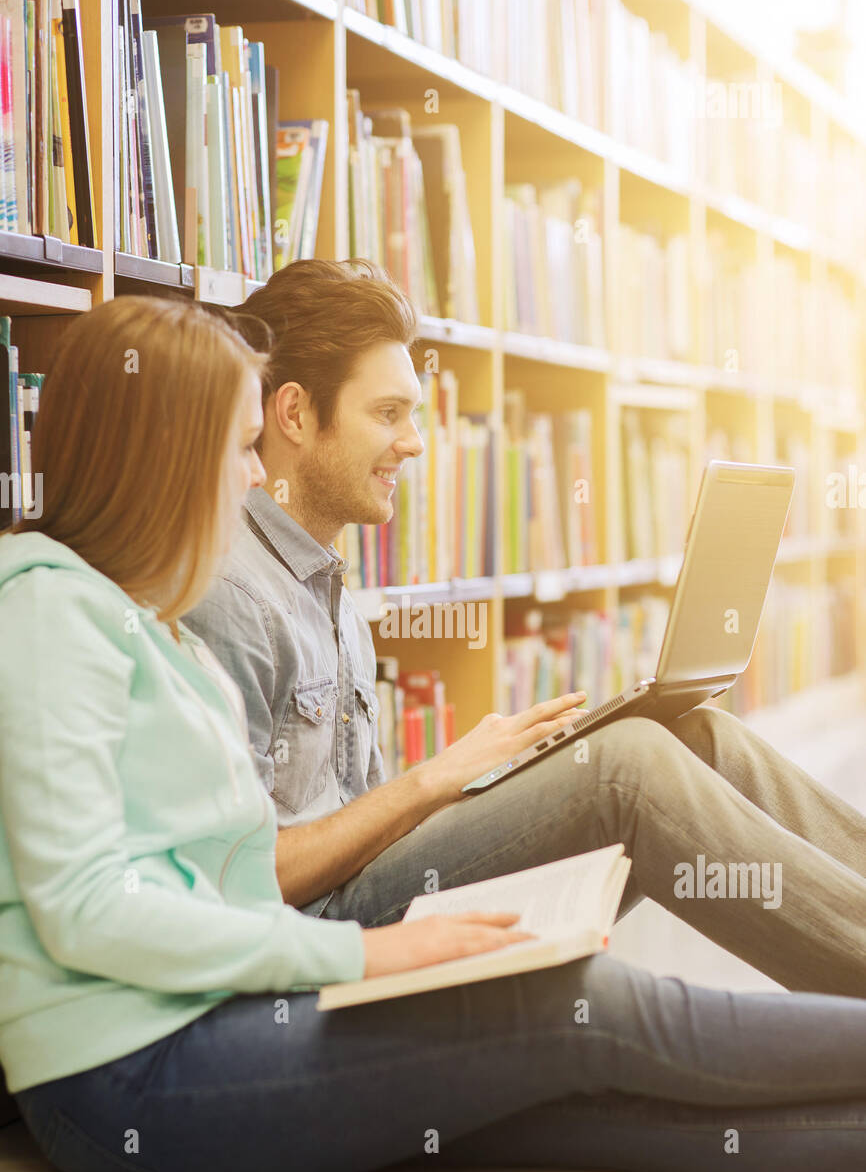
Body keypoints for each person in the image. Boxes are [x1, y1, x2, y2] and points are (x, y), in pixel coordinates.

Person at [3, 292, 866, 1172]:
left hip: (215, 1008)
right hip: (128, 1072)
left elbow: (227, 876)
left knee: (566, 1096)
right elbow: (91, 907)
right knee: (571, 1007)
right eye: (238, 447)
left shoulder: (153, 624)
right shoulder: (52, 610)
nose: (255, 477)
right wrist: (367, 954)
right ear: (167, 459)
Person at [185, 258, 866, 1002]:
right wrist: (433, 781)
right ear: (293, 415)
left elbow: (361, 819)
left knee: (698, 735)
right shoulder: (229, 595)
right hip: (327, 938)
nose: (414, 442)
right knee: (626, 767)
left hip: (373, 886)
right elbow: (243, 877)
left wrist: (498, 785)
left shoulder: (328, 586)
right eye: (388, 414)